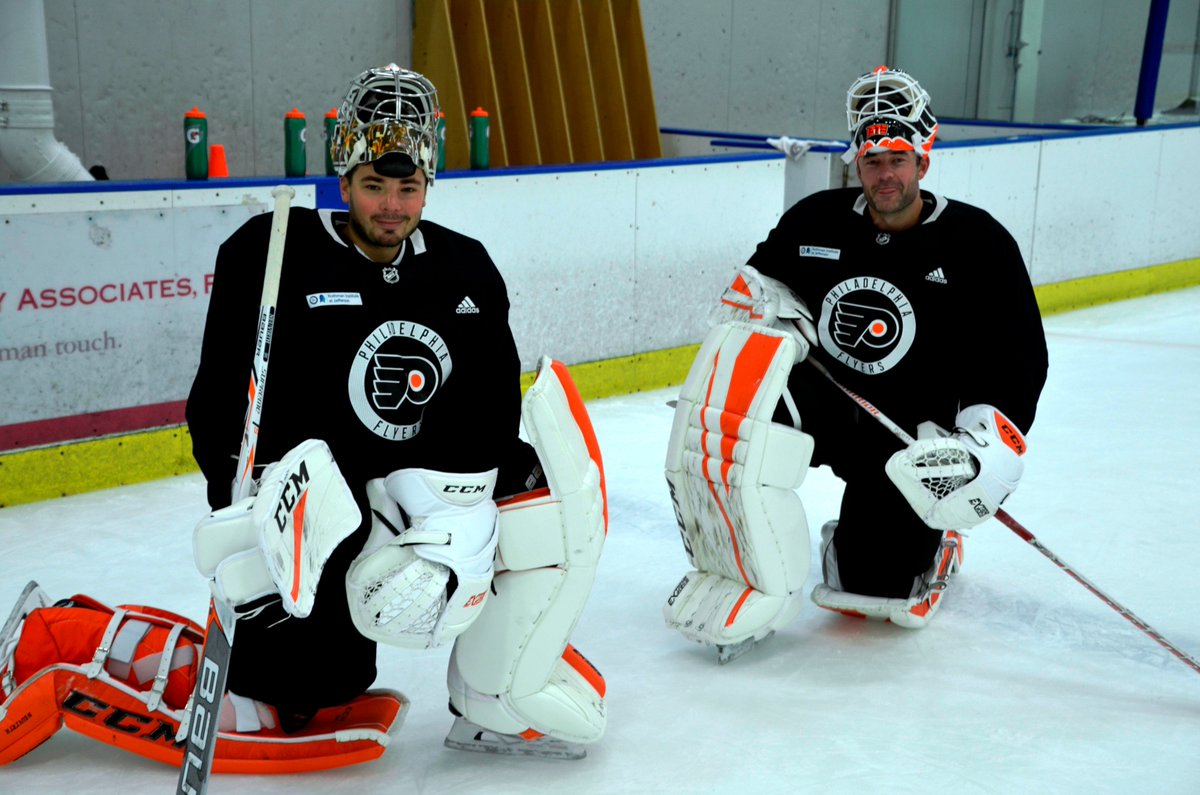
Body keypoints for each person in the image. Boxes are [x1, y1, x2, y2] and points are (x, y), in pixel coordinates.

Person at [0, 64, 606, 772]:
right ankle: (61, 639)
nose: (391, 206)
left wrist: (452, 511)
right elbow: (216, 403)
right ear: (344, 181)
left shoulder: (465, 267)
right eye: (373, 186)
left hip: (404, 509)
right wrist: (242, 499)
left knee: (538, 503)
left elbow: (491, 406)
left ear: (428, 184)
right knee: (295, 697)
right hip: (306, 513)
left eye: (408, 188)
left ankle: (497, 691)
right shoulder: (270, 251)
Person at [663, 66, 1048, 659]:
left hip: (907, 434)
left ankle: (922, 538)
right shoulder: (815, 218)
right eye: (872, 161)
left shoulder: (979, 242)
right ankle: (740, 575)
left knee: (870, 584)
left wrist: (981, 444)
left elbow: (1019, 354)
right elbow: (753, 293)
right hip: (822, 401)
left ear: (923, 161)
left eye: (898, 160)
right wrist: (763, 310)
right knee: (729, 431)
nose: (884, 174)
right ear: (856, 164)